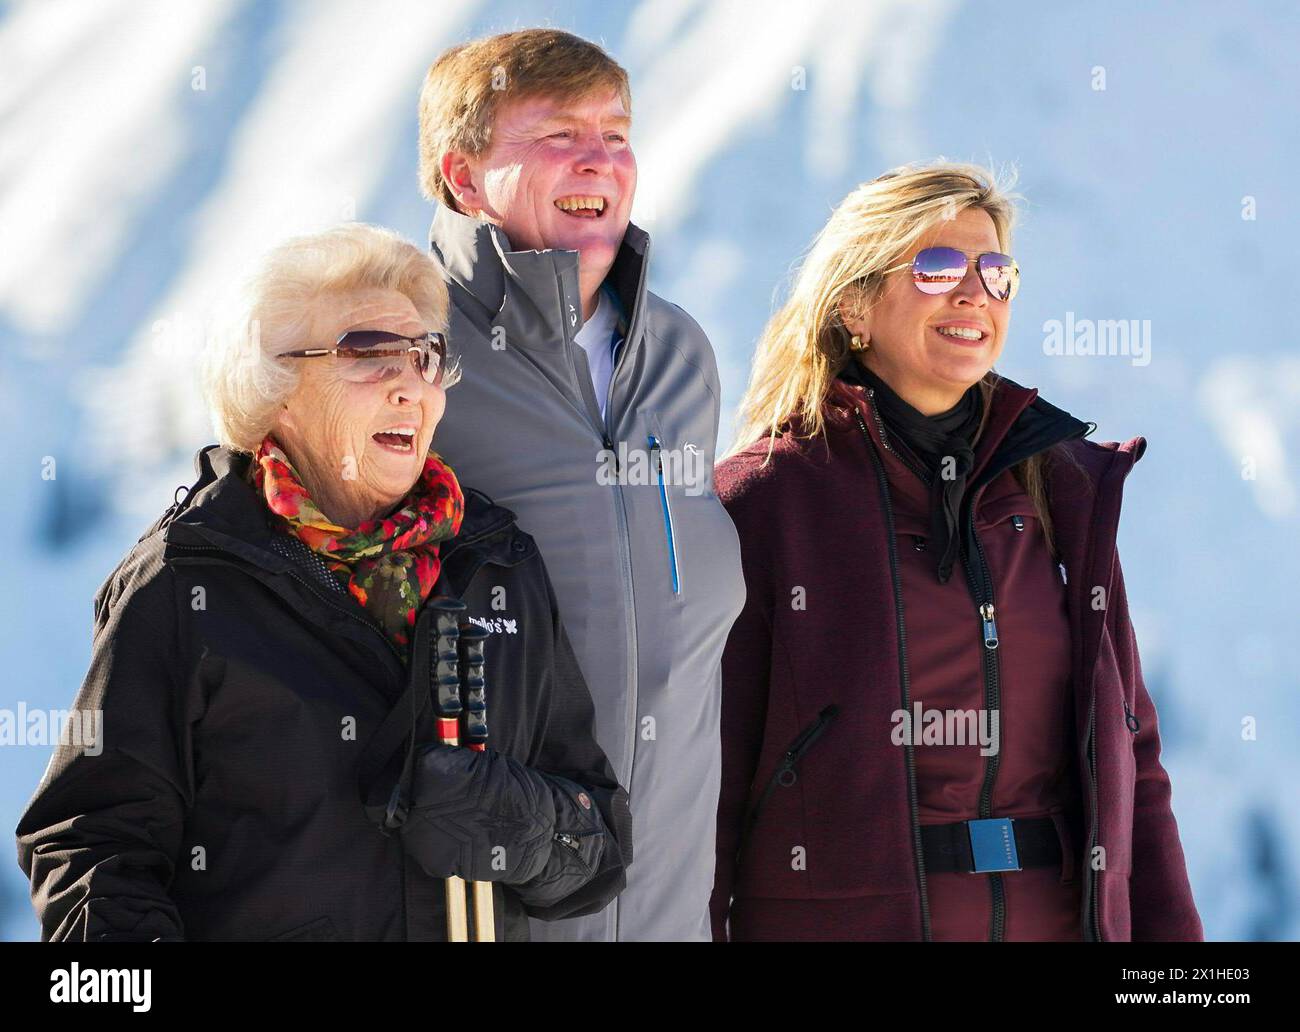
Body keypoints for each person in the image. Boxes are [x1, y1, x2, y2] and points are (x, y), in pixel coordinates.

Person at [16, 223, 631, 941]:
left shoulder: (497, 566)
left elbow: (600, 850)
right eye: (369, 354)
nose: (411, 385)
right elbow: (88, 851)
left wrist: (509, 821)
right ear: (272, 388)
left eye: (425, 356)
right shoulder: (183, 584)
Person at [710, 162, 1202, 941]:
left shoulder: (1066, 491)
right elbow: (712, 785)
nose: (975, 292)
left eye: (996, 271)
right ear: (854, 306)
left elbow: (1133, 760)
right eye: (938, 267)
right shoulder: (767, 501)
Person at [417, 29, 745, 941]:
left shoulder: (680, 355)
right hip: (480, 907)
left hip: (667, 910)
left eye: (615, 130)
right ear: (464, 177)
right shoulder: (407, 350)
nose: (598, 157)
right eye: (558, 133)